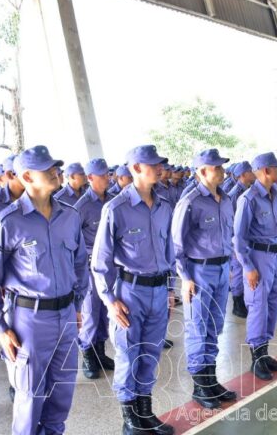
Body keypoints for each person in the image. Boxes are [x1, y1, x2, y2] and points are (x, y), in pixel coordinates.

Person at [0, 145, 88, 435]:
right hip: (29, 320)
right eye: (48, 169)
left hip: (65, 316)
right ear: (27, 176)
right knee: (30, 399)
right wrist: (1, 329)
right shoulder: (7, 221)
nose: (56, 172)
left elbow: (80, 266)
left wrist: (77, 306)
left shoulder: (70, 216)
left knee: (62, 396)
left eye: (56, 167)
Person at [92, 145, 175, 435]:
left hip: (157, 291)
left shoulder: (164, 206)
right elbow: (100, 262)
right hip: (130, 292)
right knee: (128, 353)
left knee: (150, 354)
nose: (160, 168)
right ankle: (130, 418)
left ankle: (145, 411)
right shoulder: (116, 208)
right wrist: (110, 301)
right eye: (154, 164)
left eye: (160, 163)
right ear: (136, 168)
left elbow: (169, 252)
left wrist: (170, 287)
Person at [172, 149, 237, 409]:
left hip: (221, 269)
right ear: (201, 172)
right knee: (198, 326)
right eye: (216, 167)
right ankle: (200, 385)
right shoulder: (190, 202)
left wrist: (229, 265)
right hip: (199, 272)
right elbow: (176, 246)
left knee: (214, 325)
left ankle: (211, 380)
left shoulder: (227, 198)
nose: (222, 171)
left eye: (222, 166)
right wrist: (185, 278)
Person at [233, 152, 277, 381]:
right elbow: (238, 237)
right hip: (257, 258)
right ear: (266, 170)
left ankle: (264, 353)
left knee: (273, 304)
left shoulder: (276, 194)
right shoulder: (249, 199)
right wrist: (248, 267)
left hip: (275, 257)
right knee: (257, 306)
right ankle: (256, 358)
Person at [69, 158, 116, 379]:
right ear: (90, 178)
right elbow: (71, 241)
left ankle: (100, 351)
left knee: (105, 312)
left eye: (108, 173)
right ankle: (88, 353)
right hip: (88, 268)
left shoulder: (114, 202)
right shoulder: (81, 207)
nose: (108, 177)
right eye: (103, 174)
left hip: (109, 267)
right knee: (90, 312)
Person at [227, 161, 254, 318]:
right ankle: (237, 304)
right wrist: (235, 245)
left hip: (248, 238)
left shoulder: (249, 191)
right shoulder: (235, 194)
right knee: (238, 270)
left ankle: (243, 300)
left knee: (245, 271)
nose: (253, 173)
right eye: (250, 171)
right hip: (237, 240)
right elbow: (230, 222)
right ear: (243, 174)